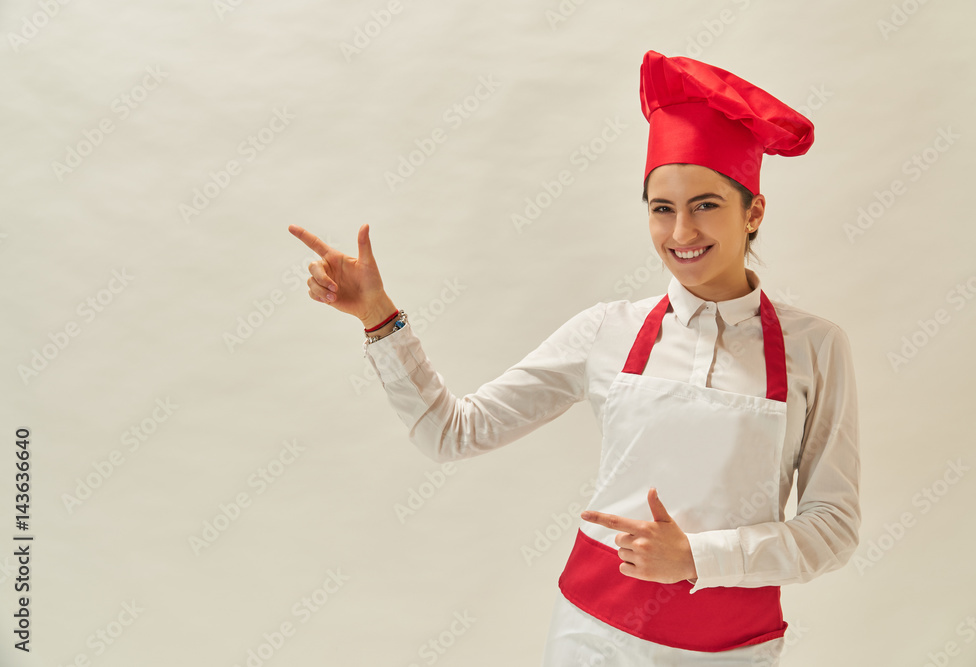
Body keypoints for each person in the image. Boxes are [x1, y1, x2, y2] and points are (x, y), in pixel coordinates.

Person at [288, 50, 861, 666]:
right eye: (661, 208)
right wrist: (380, 320)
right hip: (593, 638)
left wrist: (699, 558)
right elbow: (452, 433)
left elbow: (832, 526)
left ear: (754, 212)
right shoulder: (605, 331)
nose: (680, 233)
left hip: (730, 649)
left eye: (706, 205)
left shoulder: (814, 348)